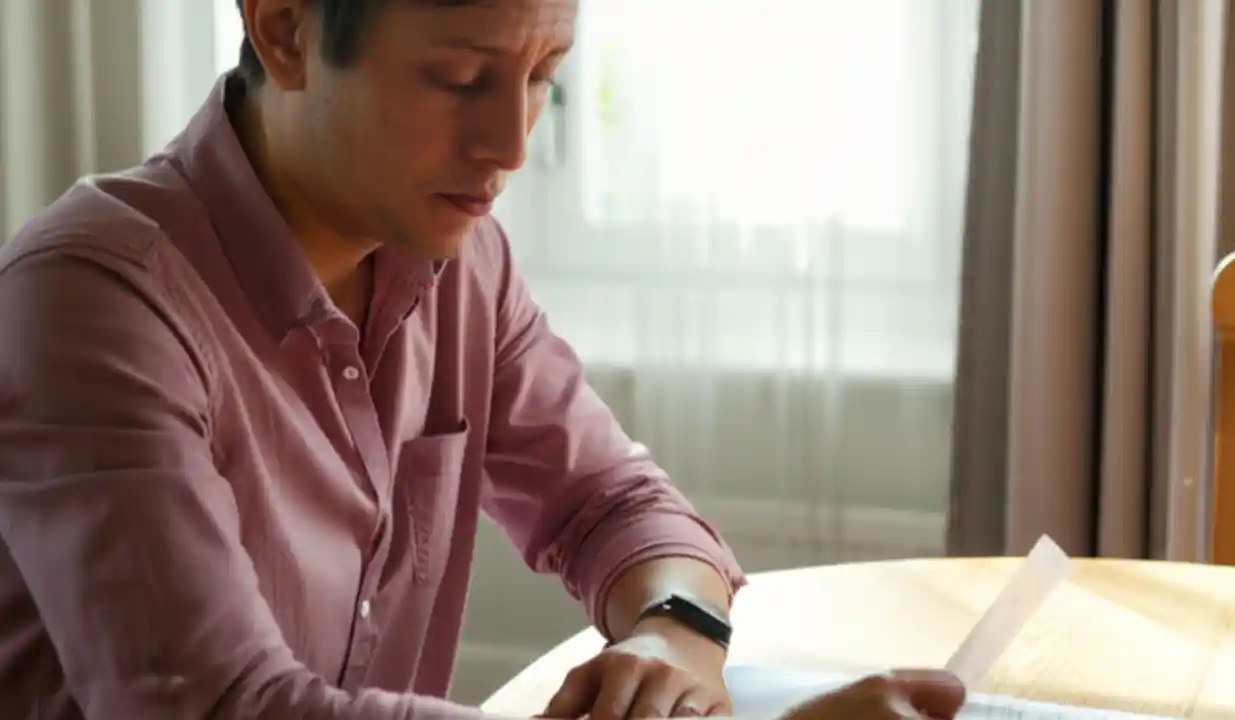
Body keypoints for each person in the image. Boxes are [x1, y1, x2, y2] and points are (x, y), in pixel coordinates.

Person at [0, 0, 966, 718]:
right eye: (461, 78)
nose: (511, 143)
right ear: (286, 28)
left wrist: (676, 637)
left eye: (544, 75)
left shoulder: (457, 262)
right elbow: (218, 708)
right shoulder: (89, 301)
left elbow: (617, 505)